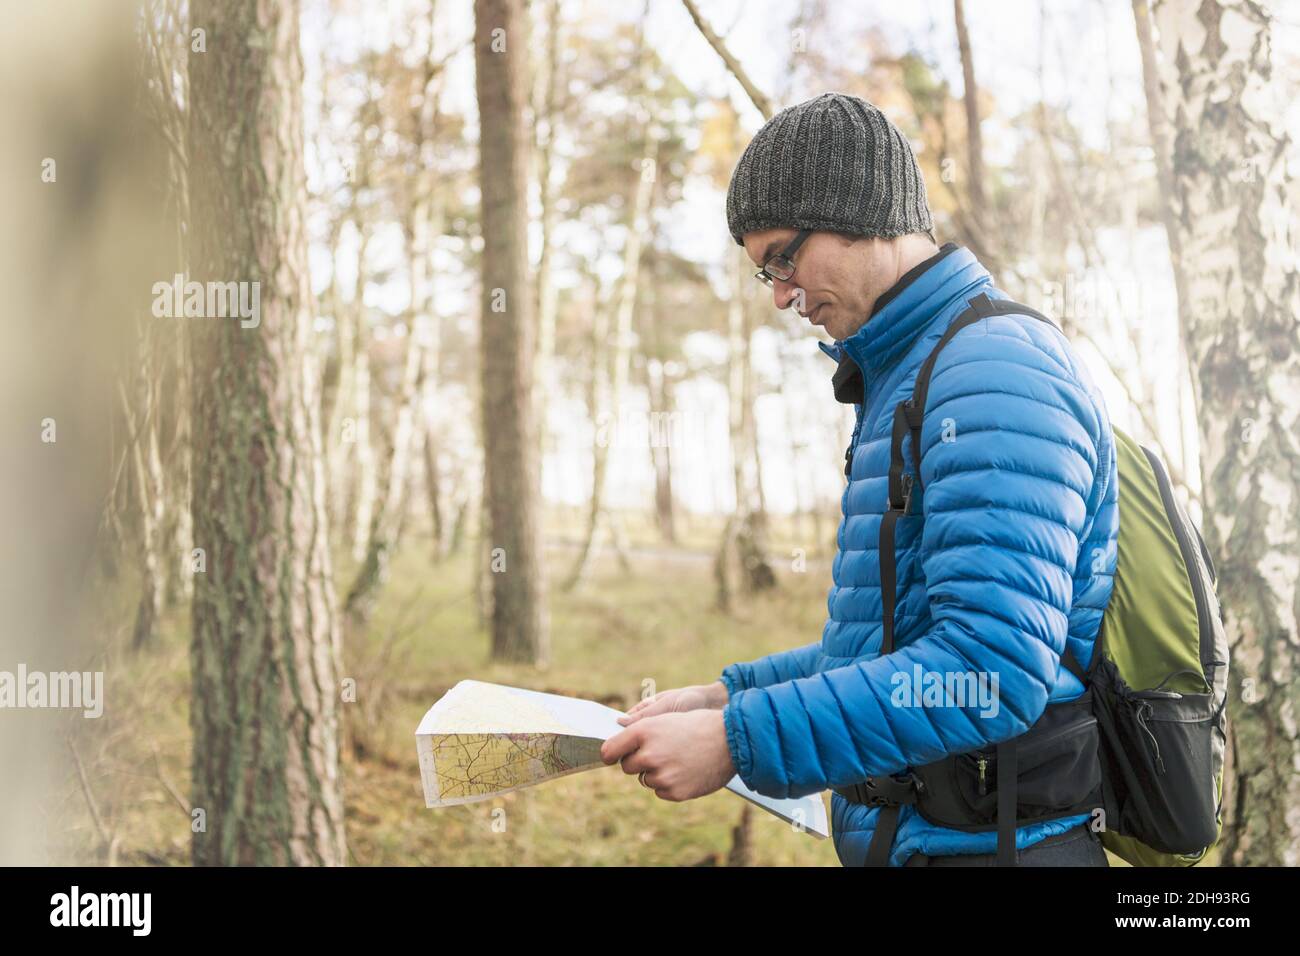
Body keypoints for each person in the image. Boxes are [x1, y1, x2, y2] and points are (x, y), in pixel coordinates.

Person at [600, 92, 1118, 866]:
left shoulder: (996, 370)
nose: (779, 293)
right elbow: (888, 646)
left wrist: (739, 741)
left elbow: (987, 674)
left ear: (862, 210)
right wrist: (728, 697)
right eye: (762, 273)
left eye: (783, 257)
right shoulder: (906, 375)